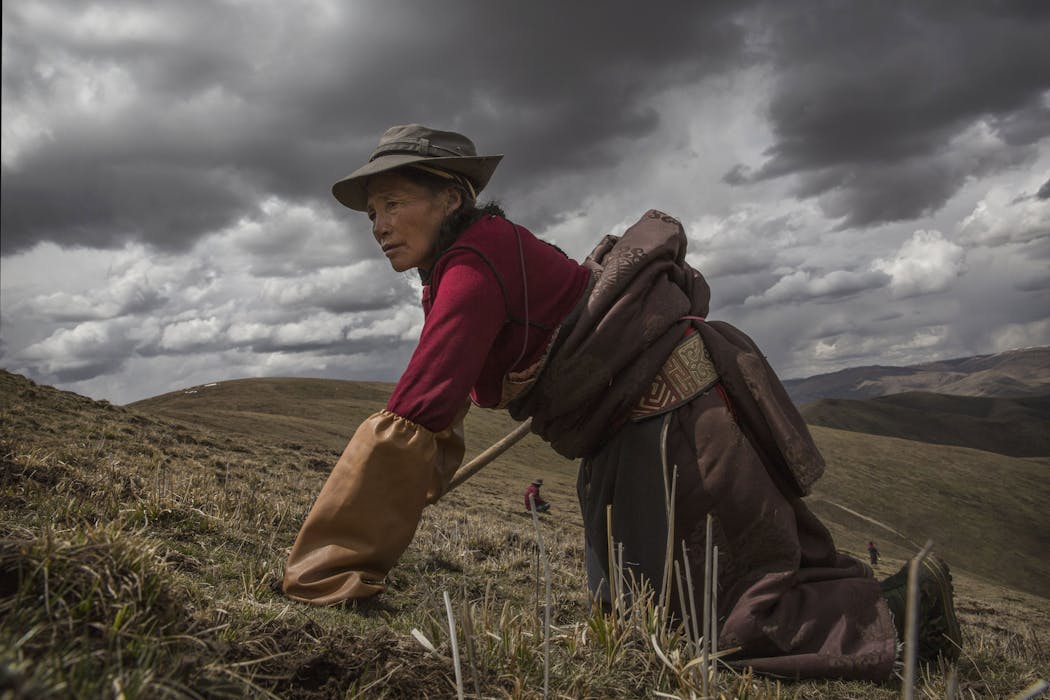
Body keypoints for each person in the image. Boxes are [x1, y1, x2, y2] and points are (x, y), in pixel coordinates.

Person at [280, 124, 961, 681]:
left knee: (717, 625)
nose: (378, 225)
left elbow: (419, 407)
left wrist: (330, 568)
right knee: (646, 612)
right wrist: (409, 489)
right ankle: (896, 602)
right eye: (373, 213)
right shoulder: (467, 263)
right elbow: (440, 404)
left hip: (680, 429)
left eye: (394, 203)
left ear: (452, 197)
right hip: (644, 429)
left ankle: (910, 612)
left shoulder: (473, 264)